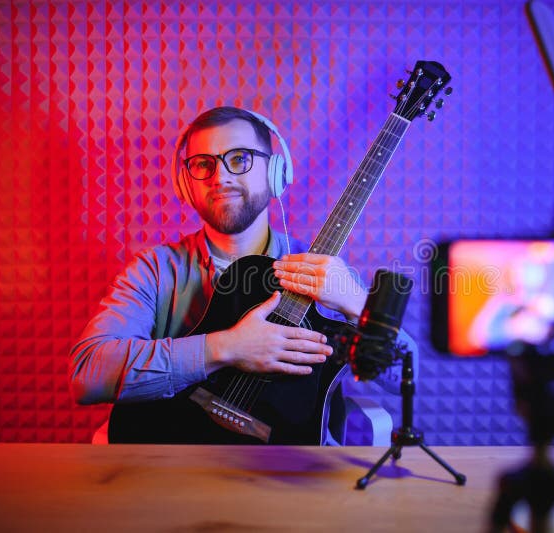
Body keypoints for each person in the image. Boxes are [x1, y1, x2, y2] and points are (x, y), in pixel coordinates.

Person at [69, 106, 409, 444]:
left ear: (275, 171)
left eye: (240, 159)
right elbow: (88, 375)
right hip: (176, 461)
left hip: (286, 467)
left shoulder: (322, 269)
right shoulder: (155, 270)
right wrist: (226, 347)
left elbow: (403, 379)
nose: (221, 177)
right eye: (204, 164)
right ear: (186, 184)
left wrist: (359, 304)